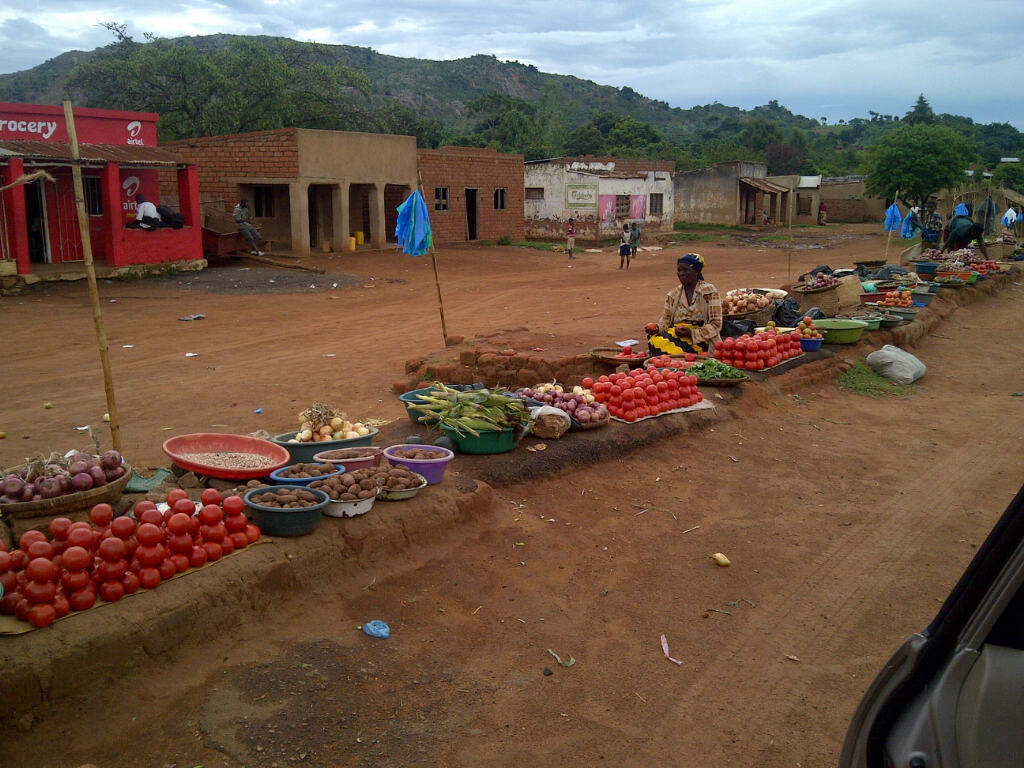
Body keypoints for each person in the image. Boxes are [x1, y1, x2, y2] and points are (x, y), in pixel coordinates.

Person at [644, 253, 723, 355]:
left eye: (685, 270)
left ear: (696, 271)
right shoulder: (673, 294)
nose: (681, 273)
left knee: (673, 351)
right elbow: (666, 321)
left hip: (701, 338)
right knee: (654, 340)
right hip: (677, 334)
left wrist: (691, 333)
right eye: (679, 270)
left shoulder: (709, 292)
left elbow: (716, 324)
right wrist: (656, 328)